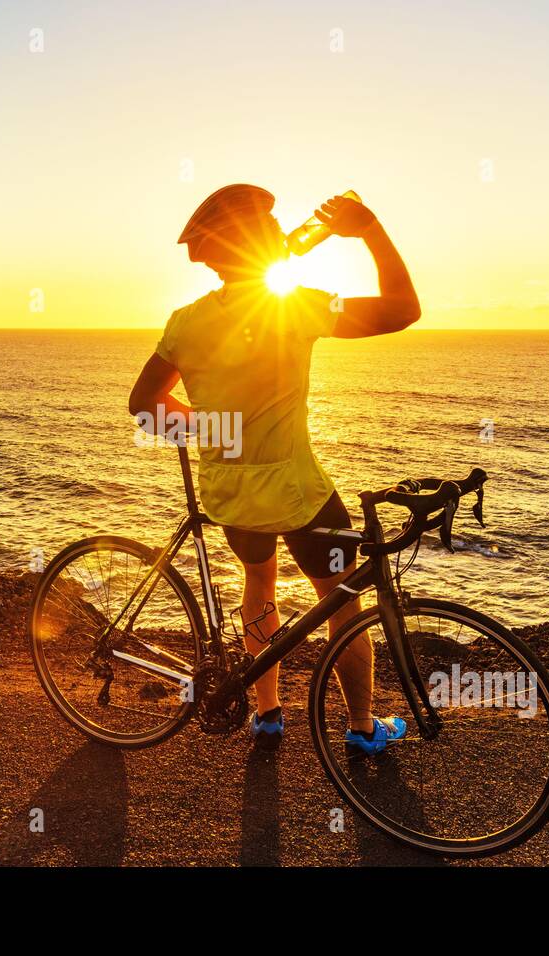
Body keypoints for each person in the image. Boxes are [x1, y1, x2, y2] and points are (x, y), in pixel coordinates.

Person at [128, 185, 421, 753]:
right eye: (270, 225)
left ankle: (267, 714)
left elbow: (144, 405)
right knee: (341, 600)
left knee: (258, 582)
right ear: (259, 244)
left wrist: (214, 431)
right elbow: (404, 311)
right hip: (297, 492)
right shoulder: (295, 305)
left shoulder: (186, 322)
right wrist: (369, 231)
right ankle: (362, 728)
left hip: (230, 494)